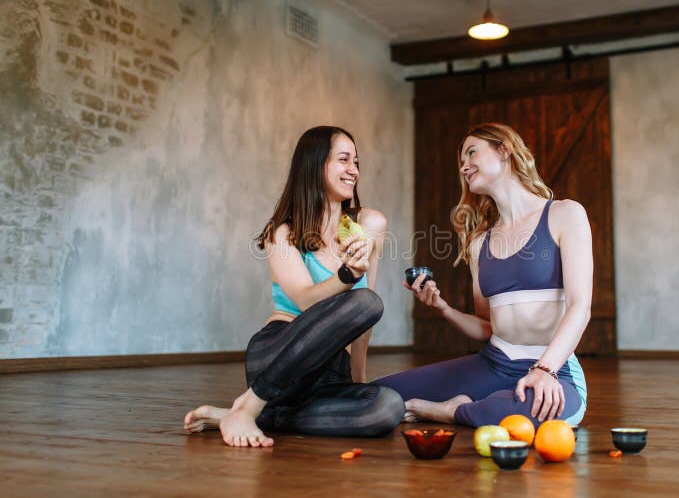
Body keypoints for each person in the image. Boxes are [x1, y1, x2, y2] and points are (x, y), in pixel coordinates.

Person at [184, 126, 404, 447]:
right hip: (277, 355)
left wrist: (357, 382)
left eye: (356, 162)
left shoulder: (368, 224)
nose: (354, 170)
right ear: (315, 166)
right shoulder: (282, 234)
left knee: (387, 407)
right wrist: (346, 276)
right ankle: (248, 405)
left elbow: (361, 325)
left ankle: (252, 414)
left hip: (328, 372)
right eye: (344, 160)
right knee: (368, 301)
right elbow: (305, 301)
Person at [373, 123, 593, 429]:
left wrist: (545, 369)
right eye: (461, 160)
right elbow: (488, 327)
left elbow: (580, 306)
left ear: (504, 150)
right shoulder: (479, 244)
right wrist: (443, 309)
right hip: (493, 364)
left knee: (525, 416)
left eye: (471, 152)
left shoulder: (565, 215)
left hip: (554, 368)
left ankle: (450, 412)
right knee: (376, 394)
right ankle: (473, 408)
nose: (464, 166)